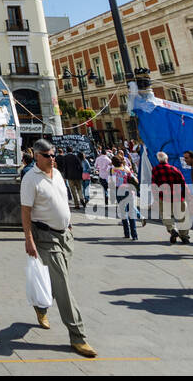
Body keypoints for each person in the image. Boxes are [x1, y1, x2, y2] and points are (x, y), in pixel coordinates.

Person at [20, 139, 97, 357]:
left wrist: (69, 224)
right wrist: (28, 239)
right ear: (36, 156)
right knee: (63, 284)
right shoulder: (30, 179)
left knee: (58, 280)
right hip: (45, 236)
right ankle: (78, 336)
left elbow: (62, 200)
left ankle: (41, 307)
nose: (52, 158)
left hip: (65, 235)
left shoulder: (58, 174)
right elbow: (25, 211)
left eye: (53, 154)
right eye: (47, 155)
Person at [151, 151, 190, 243]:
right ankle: (184, 236)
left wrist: (155, 198)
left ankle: (172, 229)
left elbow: (154, 185)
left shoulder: (156, 170)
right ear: (167, 159)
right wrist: (186, 195)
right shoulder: (174, 169)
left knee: (166, 215)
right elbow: (183, 183)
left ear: (158, 160)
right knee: (183, 217)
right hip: (178, 197)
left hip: (164, 197)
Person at [109, 151, 139, 239]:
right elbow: (135, 180)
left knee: (123, 212)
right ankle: (134, 235)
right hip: (129, 190)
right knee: (131, 213)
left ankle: (126, 233)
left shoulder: (112, 171)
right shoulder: (126, 170)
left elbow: (111, 183)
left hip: (119, 191)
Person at [93, 147, 113, 217]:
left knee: (104, 189)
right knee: (108, 189)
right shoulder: (108, 159)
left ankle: (106, 202)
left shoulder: (98, 158)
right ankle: (109, 201)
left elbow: (95, 166)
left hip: (101, 176)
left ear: (101, 153)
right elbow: (111, 167)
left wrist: (99, 168)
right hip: (107, 176)